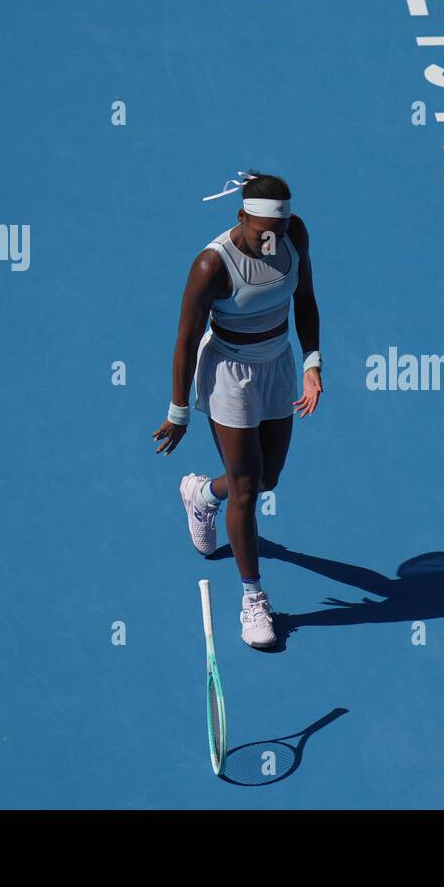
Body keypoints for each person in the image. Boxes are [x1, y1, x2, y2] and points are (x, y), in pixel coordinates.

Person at [152, 170, 323, 648]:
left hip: (279, 364)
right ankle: (254, 600)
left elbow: (305, 300)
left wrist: (312, 362)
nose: (271, 240)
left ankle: (203, 494)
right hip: (229, 374)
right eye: (260, 231)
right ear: (241, 216)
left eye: (279, 231)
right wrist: (179, 410)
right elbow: (185, 339)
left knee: (266, 478)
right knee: (248, 488)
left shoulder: (296, 236)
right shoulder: (212, 265)